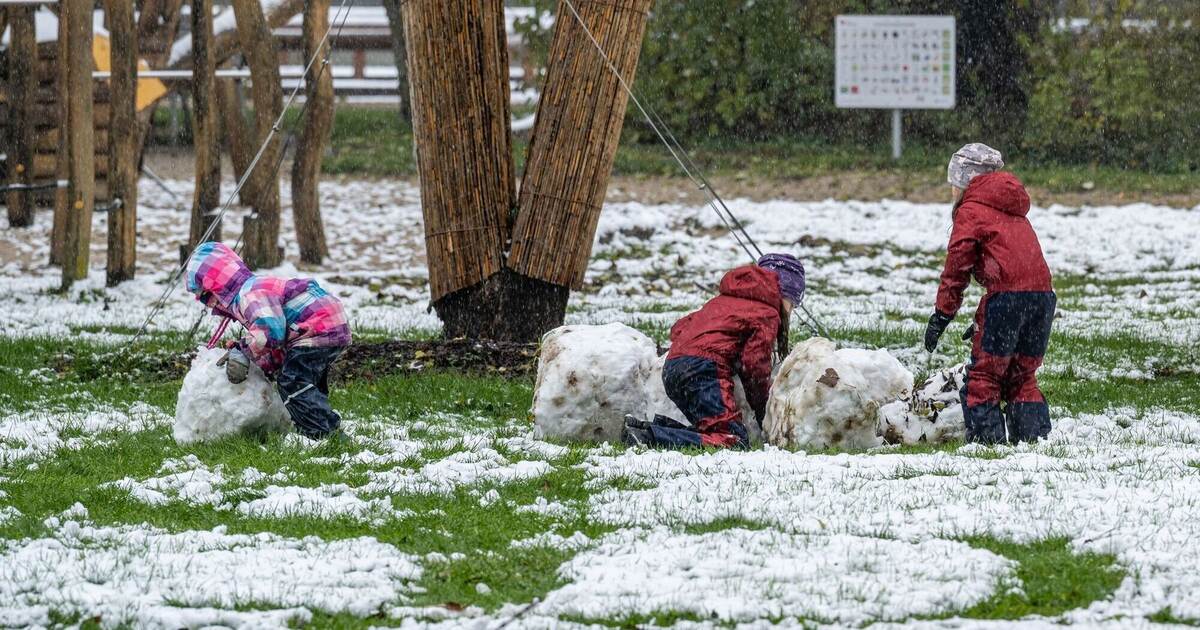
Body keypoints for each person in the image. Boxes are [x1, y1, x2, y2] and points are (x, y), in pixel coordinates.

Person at [924, 143, 1055, 444]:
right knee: (1021, 376)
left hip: (1007, 298)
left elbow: (958, 263)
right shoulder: (1011, 206)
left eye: (954, 184)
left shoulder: (971, 209)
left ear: (966, 181)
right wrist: (988, 317)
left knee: (984, 378)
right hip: (1042, 298)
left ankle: (987, 446)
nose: (952, 192)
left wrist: (943, 314)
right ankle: (1032, 440)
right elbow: (1020, 271)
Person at [624, 253, 805, 449]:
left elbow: (680, 327)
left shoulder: (726, 300)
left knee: (712, 431)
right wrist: (764, 408)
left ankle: (645, 430)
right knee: (733, 439)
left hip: (674, 367)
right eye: (793, 303)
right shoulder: (767, 313)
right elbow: (754, 365)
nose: (791, 309)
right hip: (703, 371)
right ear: (785, 292)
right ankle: (649, 438)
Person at [185, 242, 352, 440]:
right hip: (326, 324)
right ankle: (315, 425)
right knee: (307, 384)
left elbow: (269, 332)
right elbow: (278, 340)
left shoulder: (249, 294)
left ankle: (323, 434)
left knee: (293, 382)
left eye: (205, 296)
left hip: (317, 327)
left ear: (218, 287)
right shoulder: (251, 291)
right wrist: (264, 364)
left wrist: (243, 350)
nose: (208, 303)